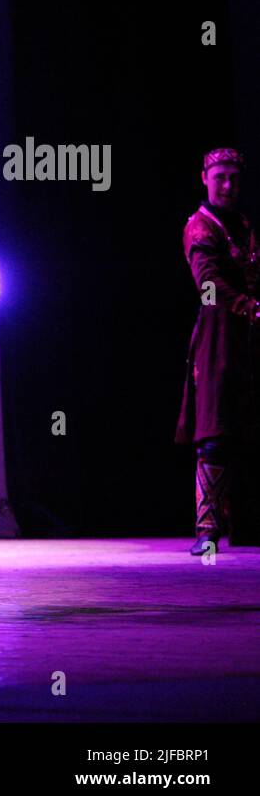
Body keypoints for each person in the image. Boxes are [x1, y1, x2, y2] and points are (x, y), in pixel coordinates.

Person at [175, 148, 260, 555]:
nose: (228, 185)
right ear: (205, 178)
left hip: (247, 336)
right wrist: (248, 306)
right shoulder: (200, 226)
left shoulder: (242, 225)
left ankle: (245, 522)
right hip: (219, 335)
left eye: (234, 178)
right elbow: (206, 283)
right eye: (220, 177)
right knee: (215, 431)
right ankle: (207, 529)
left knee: (246, 429)